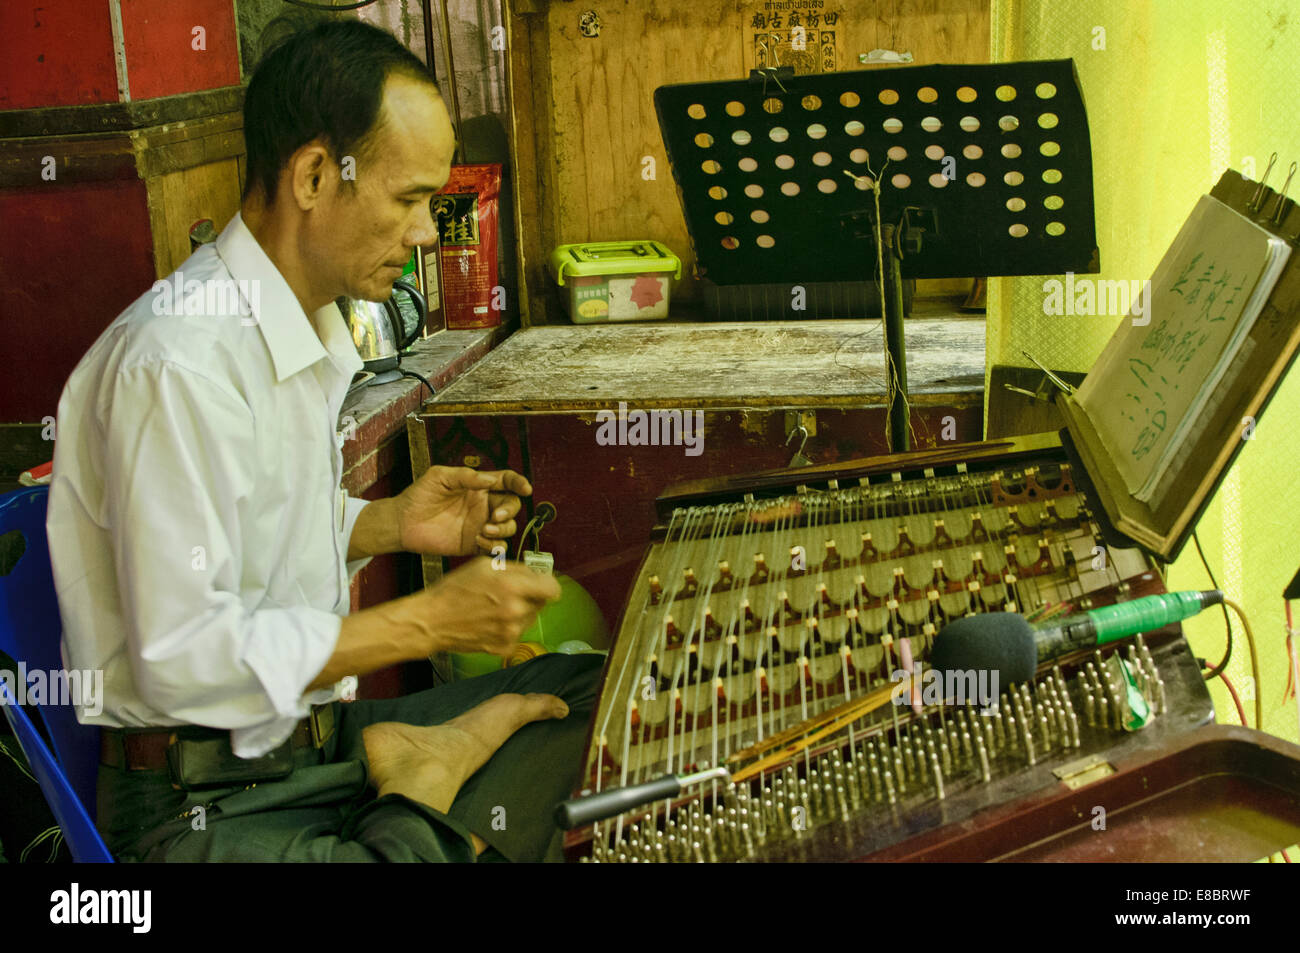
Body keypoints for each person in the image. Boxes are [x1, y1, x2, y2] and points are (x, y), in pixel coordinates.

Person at [46, 19, 601, 862]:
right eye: (409, 198)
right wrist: (428, 624)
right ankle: (420, 790)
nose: (425, 232)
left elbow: (251, 535)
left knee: (600, 692)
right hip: (200, 801)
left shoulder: (303, 327)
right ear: (314, 175)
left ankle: (415, 782)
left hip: (316, 744)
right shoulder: (177, 363)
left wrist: (386, 525)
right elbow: (182, 656)